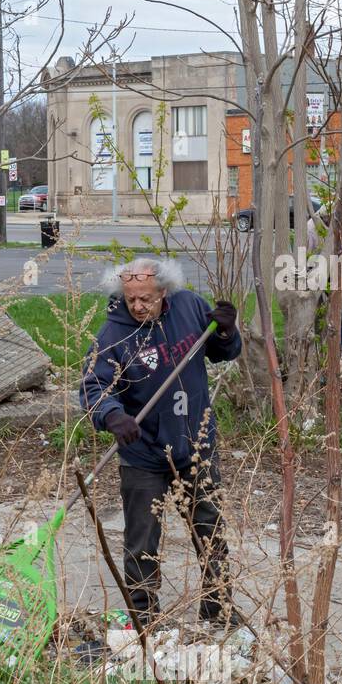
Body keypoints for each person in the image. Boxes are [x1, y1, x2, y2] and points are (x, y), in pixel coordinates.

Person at [79, 257, 242, 632]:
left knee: (211, 534)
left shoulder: (191, 307)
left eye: (146, 299)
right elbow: (93, 388)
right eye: (131, 298)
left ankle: (218, 614)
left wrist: (225, 331)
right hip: (143, 454)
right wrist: (112, 415)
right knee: (141, 544)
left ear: (164, 292)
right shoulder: (111, 336)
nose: (138, 306)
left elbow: (223, 352)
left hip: (196, 445)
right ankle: (144, 620)